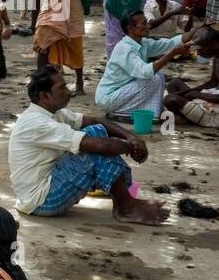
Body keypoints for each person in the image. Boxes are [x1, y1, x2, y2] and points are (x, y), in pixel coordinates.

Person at [9, 65, 167, 225]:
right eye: (62, 88)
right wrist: (132, 146)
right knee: (94, 143)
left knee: (95, 132)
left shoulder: (54, 112)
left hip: (45, 189)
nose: (69, 92)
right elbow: (101, 146)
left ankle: (124, 201)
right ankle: (126, 206)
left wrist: (132, 138)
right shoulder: (37, 122)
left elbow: (97, 120)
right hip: (41, 201)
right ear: (44, 96)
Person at [94, 10, 192, 117]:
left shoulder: (142, 43)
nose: (148, 26)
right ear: (130, 28)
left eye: (147, 23)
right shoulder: (125, 48)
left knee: (159, 75)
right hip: (108, 98)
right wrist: (172, 53)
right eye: (144, 24)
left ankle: (153, 113)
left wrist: (195, 32)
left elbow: (170, 43)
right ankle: (121, 113)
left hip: (121, 91)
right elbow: (145, 72)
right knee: (152, 79)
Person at [164, 25, 219, 127]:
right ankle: (190, 116)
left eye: (201, 48)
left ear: (215, 44)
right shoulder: (217, 56)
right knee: (174, 84)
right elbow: (212, 83)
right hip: (212, 99)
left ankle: (189, 119)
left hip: (216, 115)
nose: (198, 52)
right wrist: (185, 93)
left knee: (170, 100)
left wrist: (195, 94)